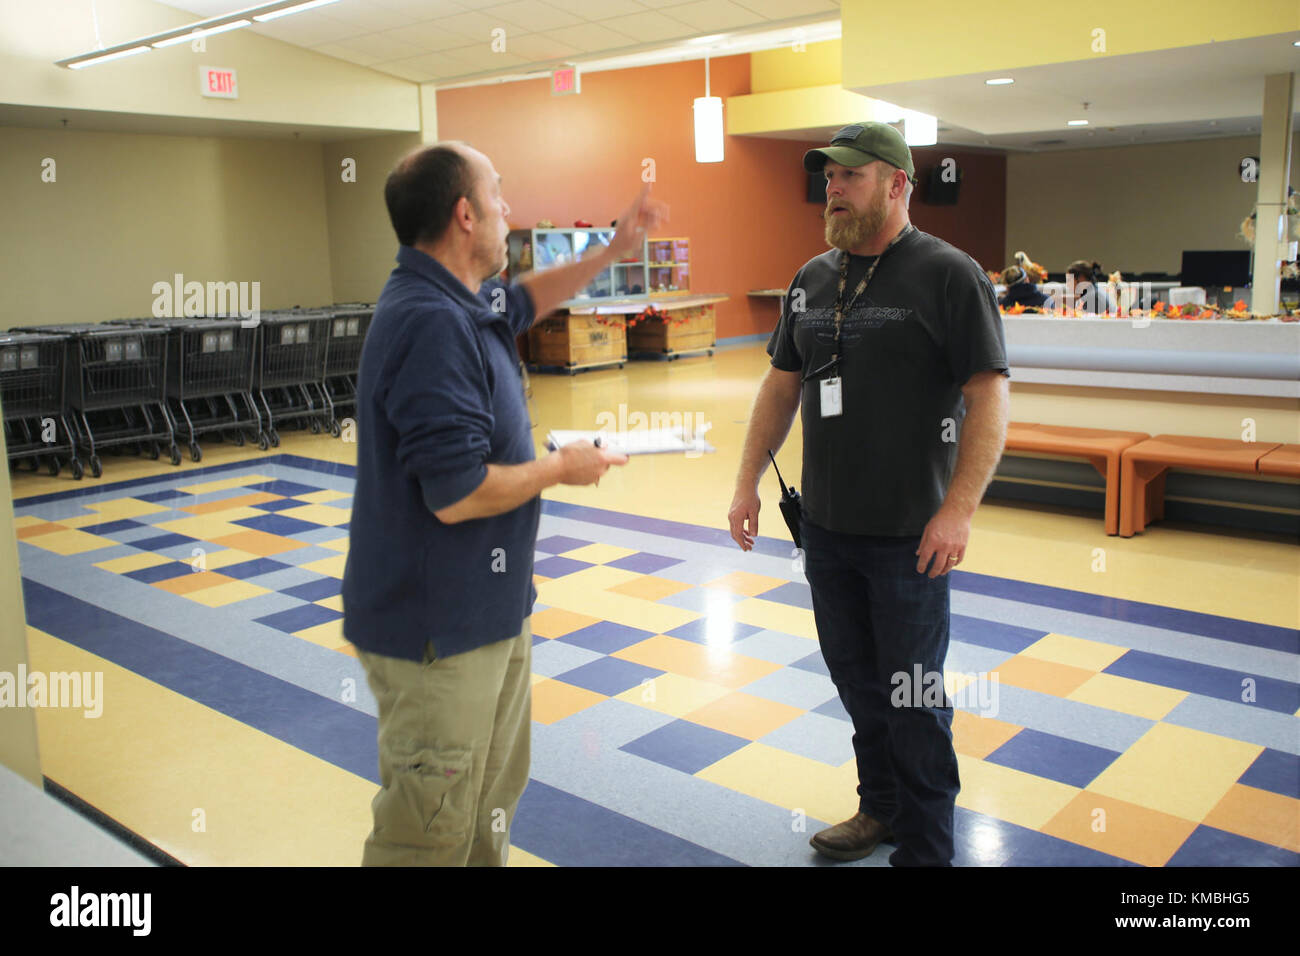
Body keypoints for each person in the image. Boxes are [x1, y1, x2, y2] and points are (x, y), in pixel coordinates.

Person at [342, 142, 666, 866]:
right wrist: (559, 468)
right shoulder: (430, 321)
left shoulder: (464, 298)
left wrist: (613, 248)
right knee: (428, 829)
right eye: (499, 196)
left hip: (488, 610)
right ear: (465, 214)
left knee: (488, 804)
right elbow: (455, 495)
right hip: (438, 630)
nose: (508, 210)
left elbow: (526, 300)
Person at [728, 122, 1010, 867]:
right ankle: (878, 809)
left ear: (897, 183)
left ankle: (926, 849)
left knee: (913, 699)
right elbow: (781, 385)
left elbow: (989, 395)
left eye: (851, 174)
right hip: (825, 530)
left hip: (910, 536)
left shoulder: (950, 275)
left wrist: (958, 511)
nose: (834, 186)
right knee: (856, 683)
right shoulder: (811, 279)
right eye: (829, 176)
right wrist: (747, 481)